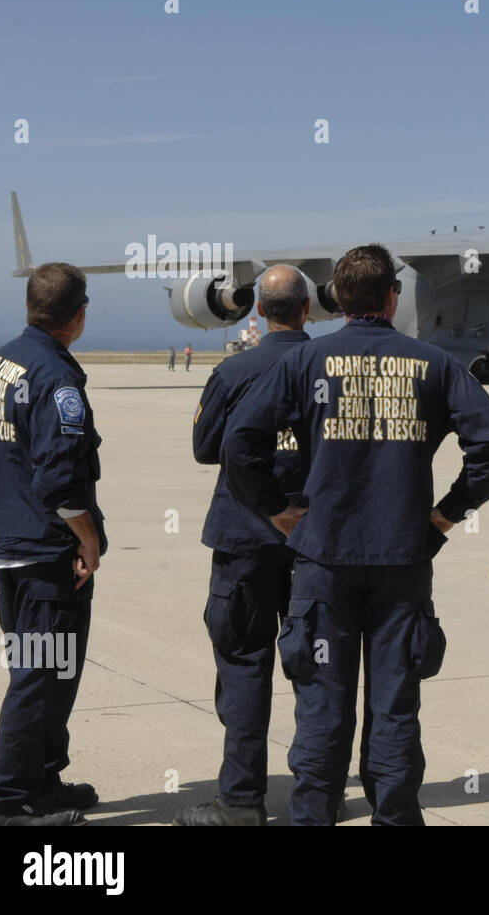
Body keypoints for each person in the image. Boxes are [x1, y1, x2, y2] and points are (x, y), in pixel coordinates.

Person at [222, 244, 489, 826]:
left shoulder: (305, 363)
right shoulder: (433, 363)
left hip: (323, 560)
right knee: (395, 705)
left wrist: (276, 509)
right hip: (402, 561)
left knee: (322, 705)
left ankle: (313, 815)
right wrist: (448, 513)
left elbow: (238, 444)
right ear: (391, 298)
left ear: (339, 301)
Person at [175, 267, 312, 826]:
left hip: (245, 539)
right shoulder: (330, 368)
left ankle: (240, 801)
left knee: (244, 668)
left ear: (257, 311)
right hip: (313, 541)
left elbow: (207, 449)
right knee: (318, 671)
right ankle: (318, 793)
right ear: (307, 311)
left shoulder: (235, 371)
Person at [0, 262, 104, 827]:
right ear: (78, 316)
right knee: (38, 677)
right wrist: (89, 541)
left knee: (55, 671)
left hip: (8, 543)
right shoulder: (56, 379)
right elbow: (60, 481)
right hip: (45, 554)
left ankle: (41, 781)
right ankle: (3, 803)